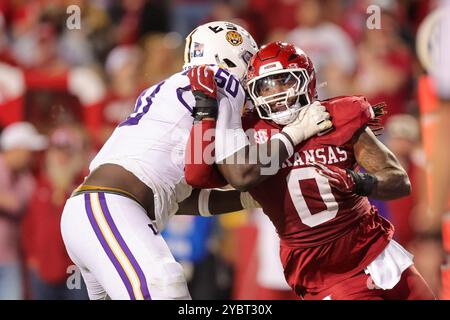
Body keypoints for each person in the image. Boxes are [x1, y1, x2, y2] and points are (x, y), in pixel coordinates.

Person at [60, 21, 327, 300]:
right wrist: (298, 132)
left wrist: (249, 200)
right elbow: (242, 174)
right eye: (249, 62)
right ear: (228, 56)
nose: (251, 77)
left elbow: (179, 197)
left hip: (97, 212)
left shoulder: (171, 91)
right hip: (111, 207)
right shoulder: (220, 81)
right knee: (166, 286)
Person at [184, 41, 436, 300]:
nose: (277, 93)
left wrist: (357, 181)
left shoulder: (338, 116)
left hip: (378, 250)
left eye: (286, 81)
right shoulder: (247, 133)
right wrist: (205, 114)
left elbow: (399, 181)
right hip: (328, 274)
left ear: (308, 81)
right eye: (267, 86)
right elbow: (201, 179)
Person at [0, 121, 47, 299]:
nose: (32, 156)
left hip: (10, 259)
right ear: (16, 148)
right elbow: (15, 203)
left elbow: (25, 203)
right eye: (29, 151)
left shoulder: (26, 178)